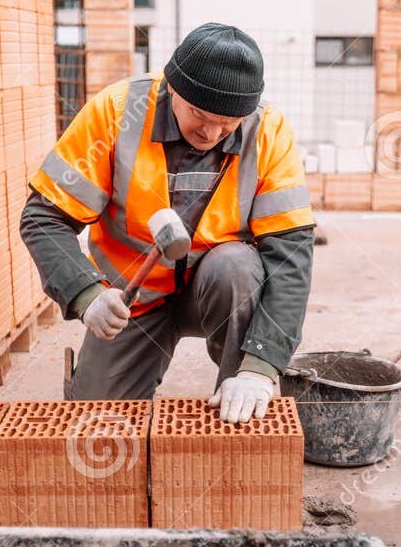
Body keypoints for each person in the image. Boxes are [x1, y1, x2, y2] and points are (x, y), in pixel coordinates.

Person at [20, 23, 314, 423]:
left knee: (237, 266)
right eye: (199, 113)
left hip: (217, 287)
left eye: (229, 122)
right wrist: (86, 294)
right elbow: (44, 216)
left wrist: (262, 366)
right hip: (132, 299)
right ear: (172, 87)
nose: (211, 132)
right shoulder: (118, 112)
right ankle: (98, 375)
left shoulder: (269, 132)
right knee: (98, 419)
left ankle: (240, 396)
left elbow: (290, 253)